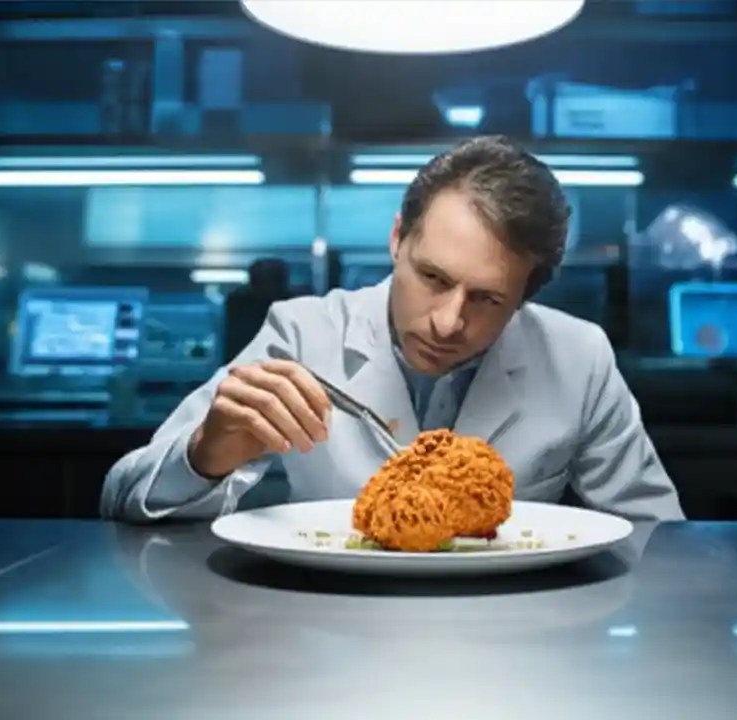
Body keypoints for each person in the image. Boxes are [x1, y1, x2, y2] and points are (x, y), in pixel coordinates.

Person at [101, 135, 684, 523]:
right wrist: (207, 454)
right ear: (397, 239)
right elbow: (121, 498)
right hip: (329, 630)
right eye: (432, 277)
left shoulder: (578, 357)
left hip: (511, 636)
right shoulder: (302, 335)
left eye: (487, 299)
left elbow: (656, 534)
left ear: (525, 299)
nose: (448, 322)